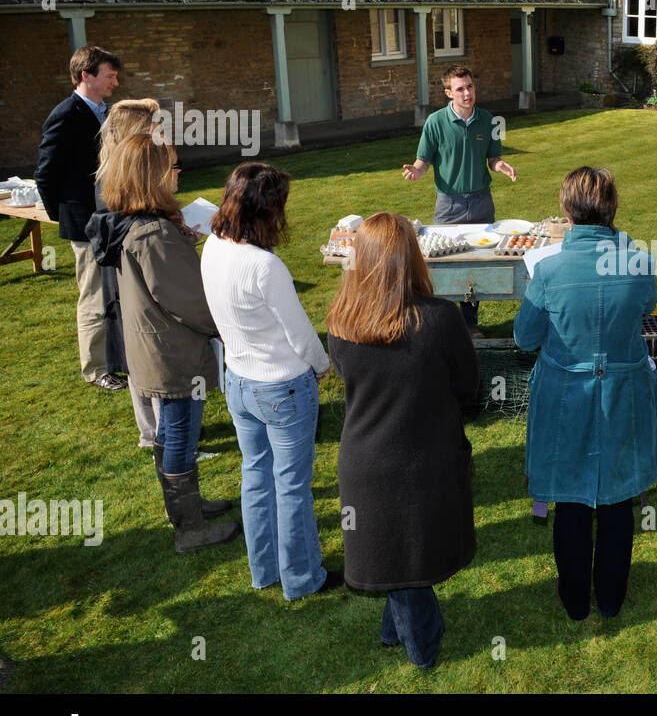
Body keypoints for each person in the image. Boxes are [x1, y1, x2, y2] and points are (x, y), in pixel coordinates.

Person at [327, 213, 478, 668]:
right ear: (411, 257)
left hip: (365, 461)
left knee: (394, 552)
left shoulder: (340, 322)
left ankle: (396, 631)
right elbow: (469, 388)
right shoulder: (440, 319)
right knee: (409, 560)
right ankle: (423, 649)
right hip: (422, 460)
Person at [513, 167, 657, 620]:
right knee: (618, 497)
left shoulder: (548, 269)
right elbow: (645, 305)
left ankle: (575, 599)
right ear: (612, 208)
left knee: (572, 499)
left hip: (568, 397)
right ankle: (611, 597)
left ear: (566, 209)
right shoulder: (638, 263)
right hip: (622, 395)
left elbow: (524, 337)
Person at [86, 131, 241, 553]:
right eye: (172, 167)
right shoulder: (152, 232)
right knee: (179, 432)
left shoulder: (132, 223)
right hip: (171, 351)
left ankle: (185, 509)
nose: (178, 173)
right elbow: (186, 300)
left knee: (172, 433)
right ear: (151, 176)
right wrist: (229, 327)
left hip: (151, 346)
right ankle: (189, 528)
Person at [201, 163, 340, 601]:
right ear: (267, 210)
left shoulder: (212, 247)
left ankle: (263, 571)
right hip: (282, 388)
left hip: (239, 382)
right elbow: (300, 334)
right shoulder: (265, 266)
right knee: (292, 485)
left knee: (255, 477)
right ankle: (302, 578)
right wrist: (323, 363)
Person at [401, 64, 517, 332]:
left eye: (470, 86)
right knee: (442, 263)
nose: (467, 93)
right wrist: (416, 172)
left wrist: (502, 166)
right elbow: (423, 162)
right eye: (460, 89)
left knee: (477, 264)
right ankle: (442, 324)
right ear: (448, 93)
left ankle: (469, 325)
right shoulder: (435, 122)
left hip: (481, 201)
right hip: (449, 205)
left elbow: (494, 159)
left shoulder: (488, 119)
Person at [35, 45, 124, 390]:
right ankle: (97, 369)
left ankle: (118, 358)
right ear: (86, 75)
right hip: (86, 223)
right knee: (93, 296)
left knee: (116, 292)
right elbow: (45, 173)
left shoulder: (107, 112)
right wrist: (63, 217)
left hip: (113, 217)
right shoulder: (65, 114)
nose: (115, 81)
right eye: (109, 75)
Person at [95, 99, 165, 449]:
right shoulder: (125, 171)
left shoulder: (109, 167)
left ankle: (151, 432)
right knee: (149, 345)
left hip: (121, 268)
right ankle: (164, 435)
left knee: (137, 344)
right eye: (152, 124)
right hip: (132, 266)